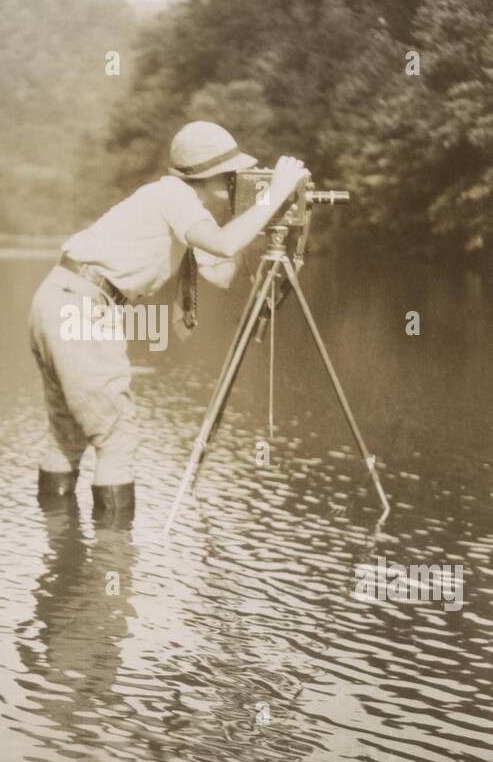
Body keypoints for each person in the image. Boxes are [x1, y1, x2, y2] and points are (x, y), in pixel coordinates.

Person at [28, 120, 307, 521]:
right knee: (117, 440)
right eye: (231, 176)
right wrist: (278, 189)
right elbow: (225, 242)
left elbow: (222, 271)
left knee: (68, 433)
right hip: (83, 306)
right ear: (212, 176)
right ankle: (114, 561)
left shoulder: (174, 202)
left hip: (58, 297)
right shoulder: (175, 198)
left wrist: (260, 221)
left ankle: (58, 546)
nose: (235, 184)